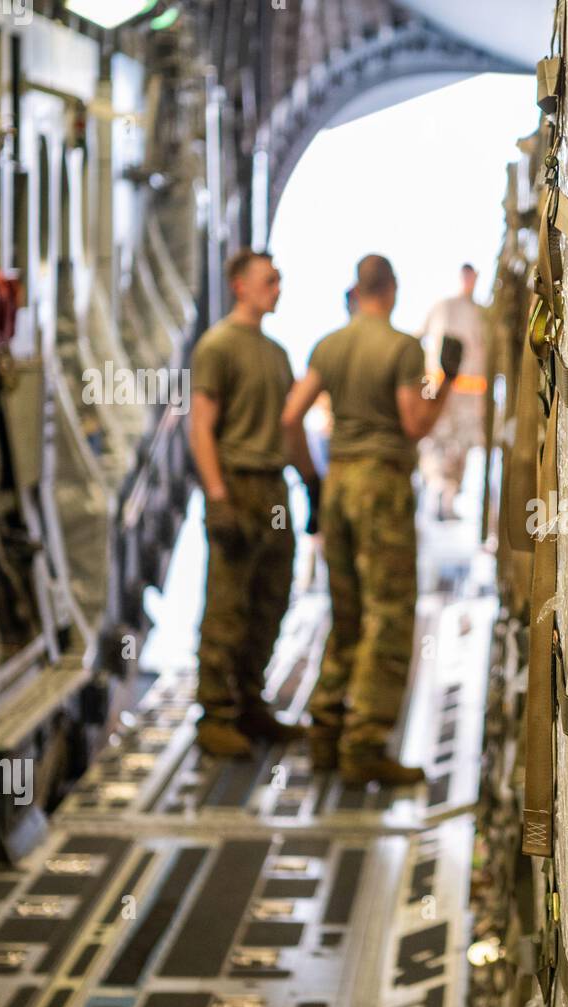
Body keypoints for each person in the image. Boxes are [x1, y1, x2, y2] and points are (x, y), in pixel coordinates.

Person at [281, 255, 455, 786]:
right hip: (381, 485)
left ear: (358, 290)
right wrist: (444, 384)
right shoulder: (403, 347)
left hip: (338, 484)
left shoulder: (329, 345)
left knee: (346, 607)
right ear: (392, 291)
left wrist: (312, 479)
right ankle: (365, 743)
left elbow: (292, 418)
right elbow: (414, 421)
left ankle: (326, 731)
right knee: (389, 611)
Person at [188, 249, 316, 758]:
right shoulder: (218, 346)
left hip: (272, 490)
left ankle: (249, 703)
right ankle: (214, 715)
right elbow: (201, 425)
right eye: (269, 280)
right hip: (237, 486)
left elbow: (290, 426)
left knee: (270, 597)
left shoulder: (277, 353)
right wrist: (217, 497)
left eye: (280, 280)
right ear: (240, 285)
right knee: (227, 605)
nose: (278, 288)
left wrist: (311, 482)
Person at [419, 264, 486, 521]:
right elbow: (420, 337)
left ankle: (449, 499)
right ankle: (437, 493)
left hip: (469, 401)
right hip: (442, 395)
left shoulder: (481, 314)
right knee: (437, 447)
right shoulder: (442, 307)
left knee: (461, 451)